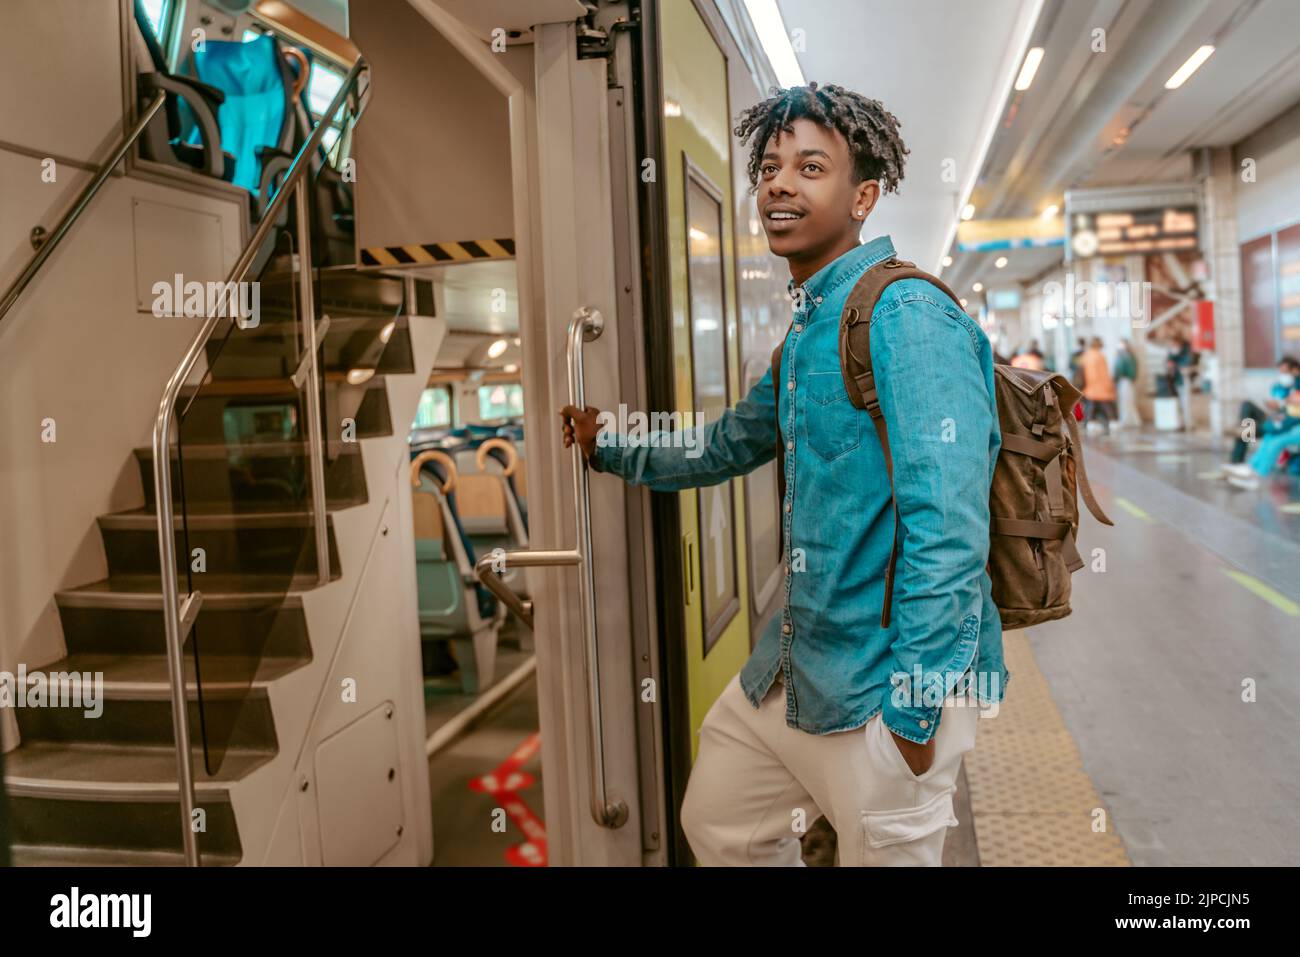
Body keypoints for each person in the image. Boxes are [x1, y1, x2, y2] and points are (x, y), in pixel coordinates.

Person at [562, 82, 1005, 867]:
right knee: (720, 822)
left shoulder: (906, 315)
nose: (778, 183)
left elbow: (951, 527)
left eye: (810, 167)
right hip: (795, 672)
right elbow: (725, 444)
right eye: (769, 166)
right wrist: (614, 442)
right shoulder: (807, 336)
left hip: (882, 693)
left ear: (863, 194)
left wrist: (914, 714)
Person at [1224, 356, 1298, 464]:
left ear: (1295, 370)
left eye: (1285, 372)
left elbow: (1292, 404)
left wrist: (1282, 404)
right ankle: (1243, 428)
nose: (1283, 376)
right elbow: (1274, 402)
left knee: (1247, 430)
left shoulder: (1296, 385)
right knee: (1247, 405)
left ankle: (1236, 462)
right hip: (1273, 416)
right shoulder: (1278, 386)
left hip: (1285, 420)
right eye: (1281, 372)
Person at [1080, 337, 1117, 435]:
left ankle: (1090, 424)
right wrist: (1109, 385)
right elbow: (1104, 373)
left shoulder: (1086, 356)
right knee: (1106, 406)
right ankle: (1112, 423)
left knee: (1091, 406)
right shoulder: (1100, 356)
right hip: (1100, 386)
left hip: (1089, 386)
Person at [1113, 339, 1141, 429]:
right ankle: (1128, 420)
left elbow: (1121, 370)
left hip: (1125, 380)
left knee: (1127, 401)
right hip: (1124, 381)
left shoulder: (1126, 357)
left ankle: (1128, 420)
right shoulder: (1125, 356)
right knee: (1125, 401)